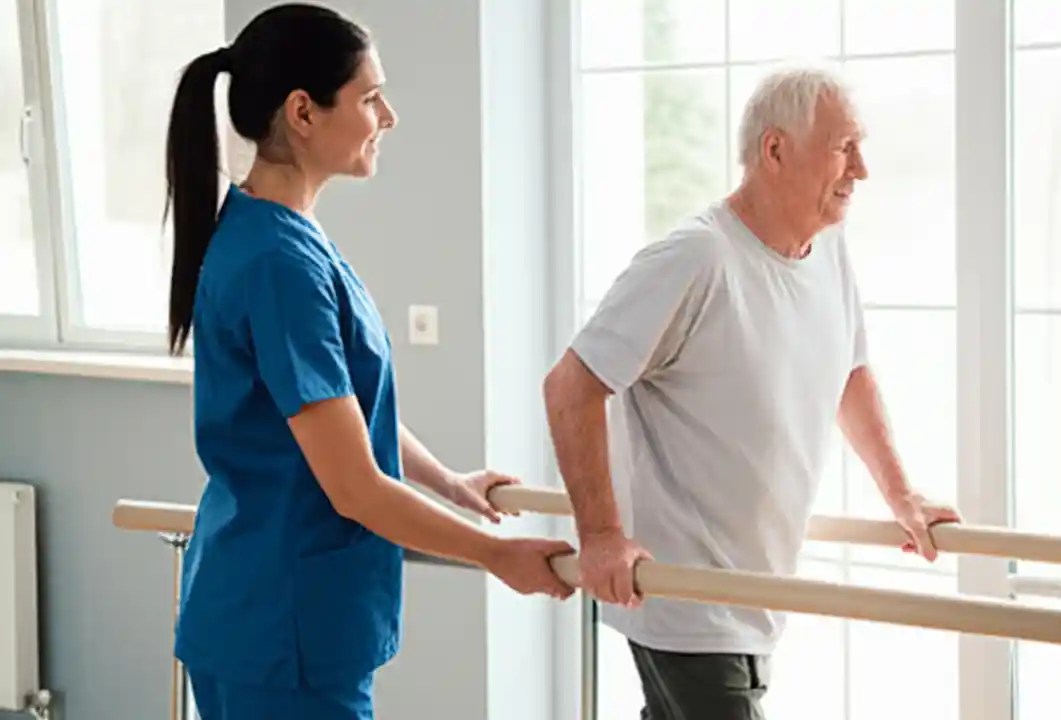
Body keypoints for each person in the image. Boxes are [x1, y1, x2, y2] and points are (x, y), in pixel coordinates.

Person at [163, 4, 574, 718]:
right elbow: (354, 486)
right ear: (303, 112)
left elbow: (341, 407)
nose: (389, 116)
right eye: (370, 97)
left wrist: (448, 482)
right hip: (282, 633)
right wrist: (494, 555)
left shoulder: (275, 236)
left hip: (268, 616)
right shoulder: (279, 263)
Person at [542, 66, 962, 719]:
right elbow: (571, 386)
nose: (862, 169)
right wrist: (600, 537)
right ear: (775, 149)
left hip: (754, 595)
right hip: (685, 597)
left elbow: (850, 373)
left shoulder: (827, 253)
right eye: (844, 146)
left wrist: (901, 496)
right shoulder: (696, 258)